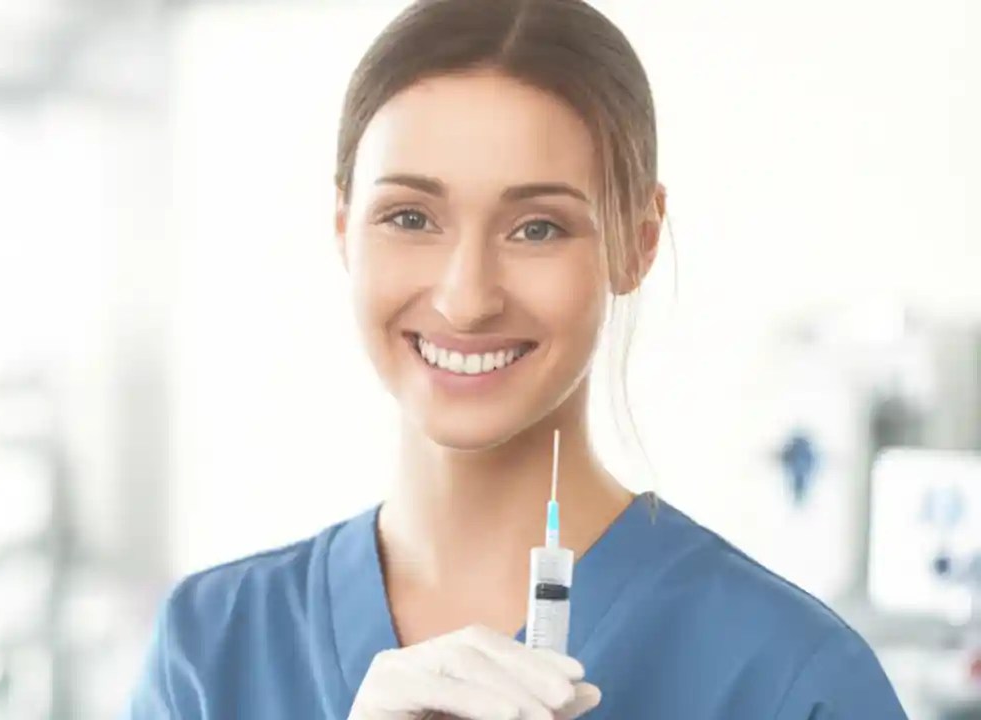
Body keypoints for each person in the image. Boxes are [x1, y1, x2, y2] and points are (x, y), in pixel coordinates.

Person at [124, 0, 909, 717]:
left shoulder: (790, 681)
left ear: (637, 241)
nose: (467, 298)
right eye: (409, 216)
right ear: (342, 226)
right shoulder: (208, 653)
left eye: (537, 228)